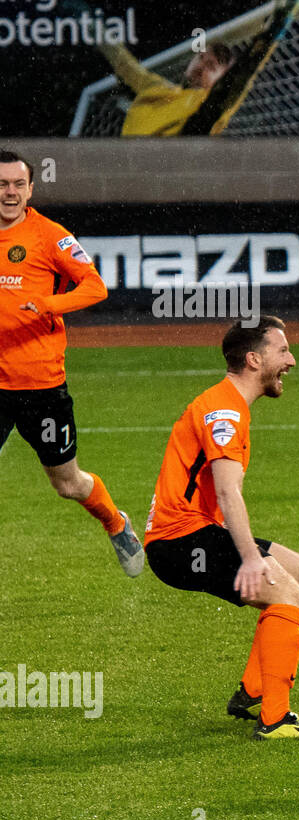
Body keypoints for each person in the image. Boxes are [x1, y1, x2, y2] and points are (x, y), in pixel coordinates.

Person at [143, 317, 299, 740]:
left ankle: (254, 690)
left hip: (190, 533)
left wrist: (252, 553)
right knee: (285, 591)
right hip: (179, 543)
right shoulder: (225, 411)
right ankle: (276, 721)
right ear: (253, 359)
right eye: (282, 351)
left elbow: (222, 497)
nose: (292, 361)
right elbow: (229, 493)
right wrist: (250, 559)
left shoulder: (226, 402)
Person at [0, 149, 143, 577]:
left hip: (42, 387)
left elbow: (95, 288)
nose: (9, 192)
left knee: (68, 483)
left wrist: (47, 304)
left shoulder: (49, 236)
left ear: (30, 188)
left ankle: (116, 524)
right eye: (1, 184)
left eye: (16, 184)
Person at [91, 0, 299, 136]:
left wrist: (270, 35)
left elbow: (238, 80)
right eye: (201, 58)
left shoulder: (205, 109)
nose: (201, 65)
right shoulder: (157, 87)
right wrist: (91, 26)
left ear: (220, 80)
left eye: (211, 66)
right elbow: (124, 63)